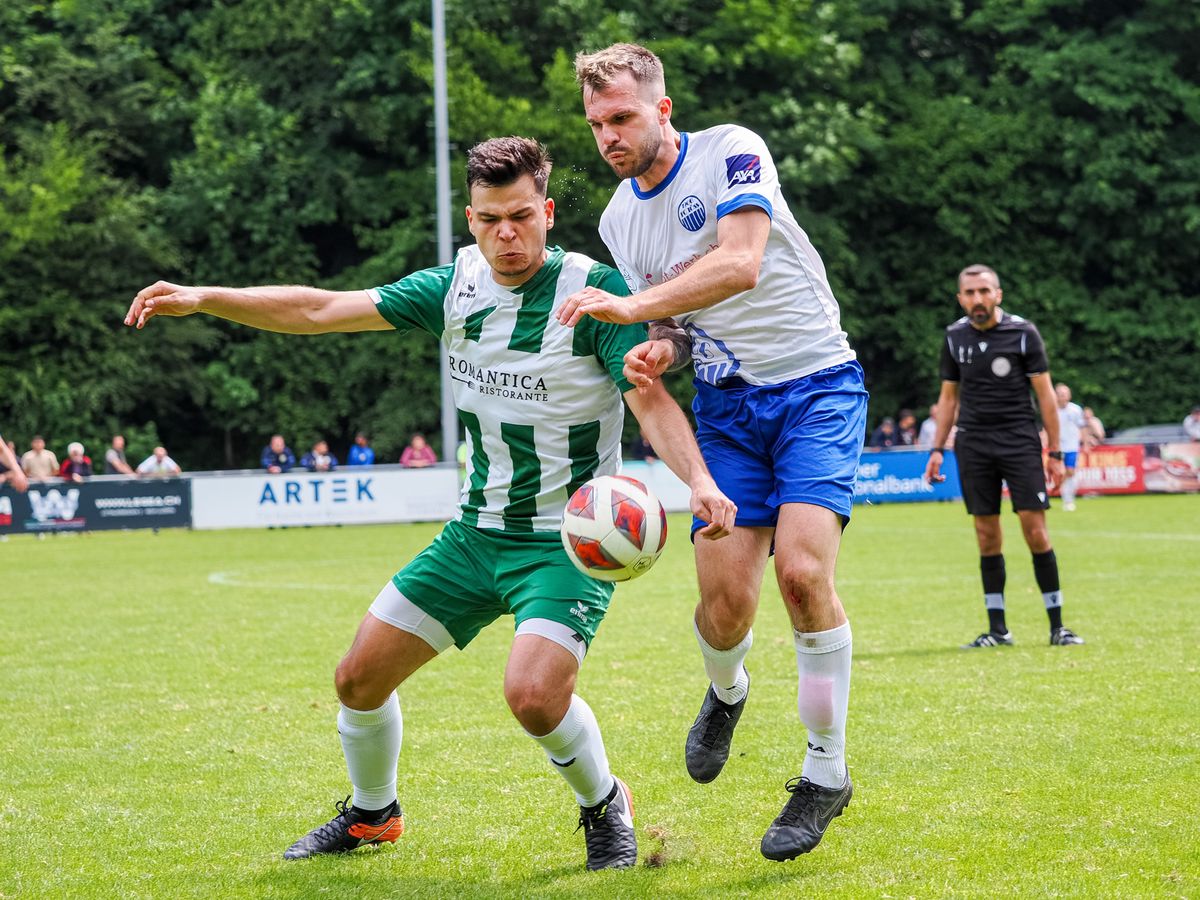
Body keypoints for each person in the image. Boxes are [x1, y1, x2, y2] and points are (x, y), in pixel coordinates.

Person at [124, 136, 736, 872]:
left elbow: (650, 398)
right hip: (472, 538)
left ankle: (605, 803)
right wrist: (204, 298)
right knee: (357, 678)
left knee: (534, 696)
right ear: (470, 220)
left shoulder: (592, 293)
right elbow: (320, 309)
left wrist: (697, 482)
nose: (504, 235)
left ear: (546, 211)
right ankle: (372, 815)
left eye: (519, 217)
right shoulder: (455, 288)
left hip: (563, 545)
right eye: (486, 220)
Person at [562, 44, 867, 862]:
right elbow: (675, 325)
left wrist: (628, 309)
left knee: (803, 576)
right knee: (725, 608)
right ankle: (727, 690)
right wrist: (658, 348)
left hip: (816, 388)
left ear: (662, 109)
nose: (609, 136)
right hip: (729, 410)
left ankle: (824, 773)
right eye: (596, 124)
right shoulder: (620, 218)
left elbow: (738, 264)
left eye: (621, 117)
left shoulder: (732, 149)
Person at [923, 264, 1084, 649]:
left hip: (1019, 441)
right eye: (969, 292)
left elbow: (1045, 396)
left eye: (984, 291)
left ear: (998, 294)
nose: (977, 299)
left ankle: (1058, 626)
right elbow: (948, 398)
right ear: (960, 298)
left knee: (1035, 530)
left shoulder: (1023, 333)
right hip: (974, 444)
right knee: (986, 535)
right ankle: (998, 630)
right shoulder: (954, 337)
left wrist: (1056, 452)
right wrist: (936, 449)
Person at [1055, 383, 1086, 511]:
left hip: (1072, 446)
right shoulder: (1052, 410)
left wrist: (1084, 442)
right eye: (1061, 394)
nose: (1064, 397)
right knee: (1059, 472)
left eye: (1066, 394)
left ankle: (1068, 499)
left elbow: (1081, 426)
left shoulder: (1076, 410)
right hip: (1057, 446)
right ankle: (1062, 494)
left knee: (1070, 472)